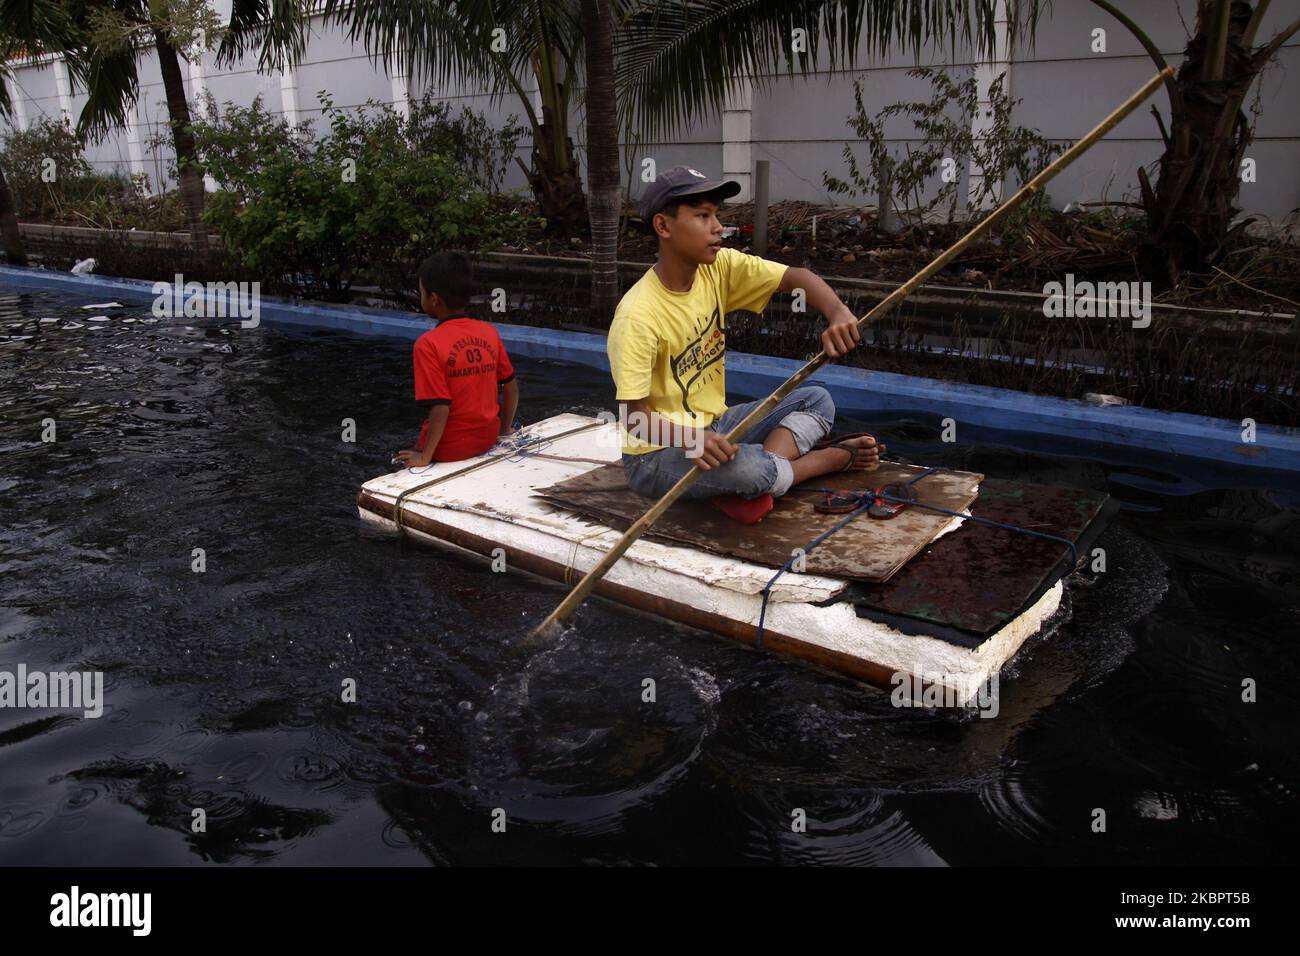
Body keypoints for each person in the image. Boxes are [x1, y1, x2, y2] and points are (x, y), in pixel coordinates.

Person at [607, 165, 883, 523]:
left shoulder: (718, 268)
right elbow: (635, 420)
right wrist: (692, 440)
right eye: (702, 216)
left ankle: (759, 481)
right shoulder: (638, 315)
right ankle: (822, 462)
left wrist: (838, 312)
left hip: (718, 427)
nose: (718, 227)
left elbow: (795, 278)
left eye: (716, 215)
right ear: (664, 226)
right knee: (748, 468)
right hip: (657, 455)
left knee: (816, 399)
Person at [394, 252, 519, 468]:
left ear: (434, 299)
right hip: (487, 439)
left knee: (400, 456)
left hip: (449, 449)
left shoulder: (428, 344)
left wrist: (424, 457)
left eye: (422, 292)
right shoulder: (488, 332)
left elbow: (441, 406)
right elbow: (511, 386)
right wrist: (504, 430)